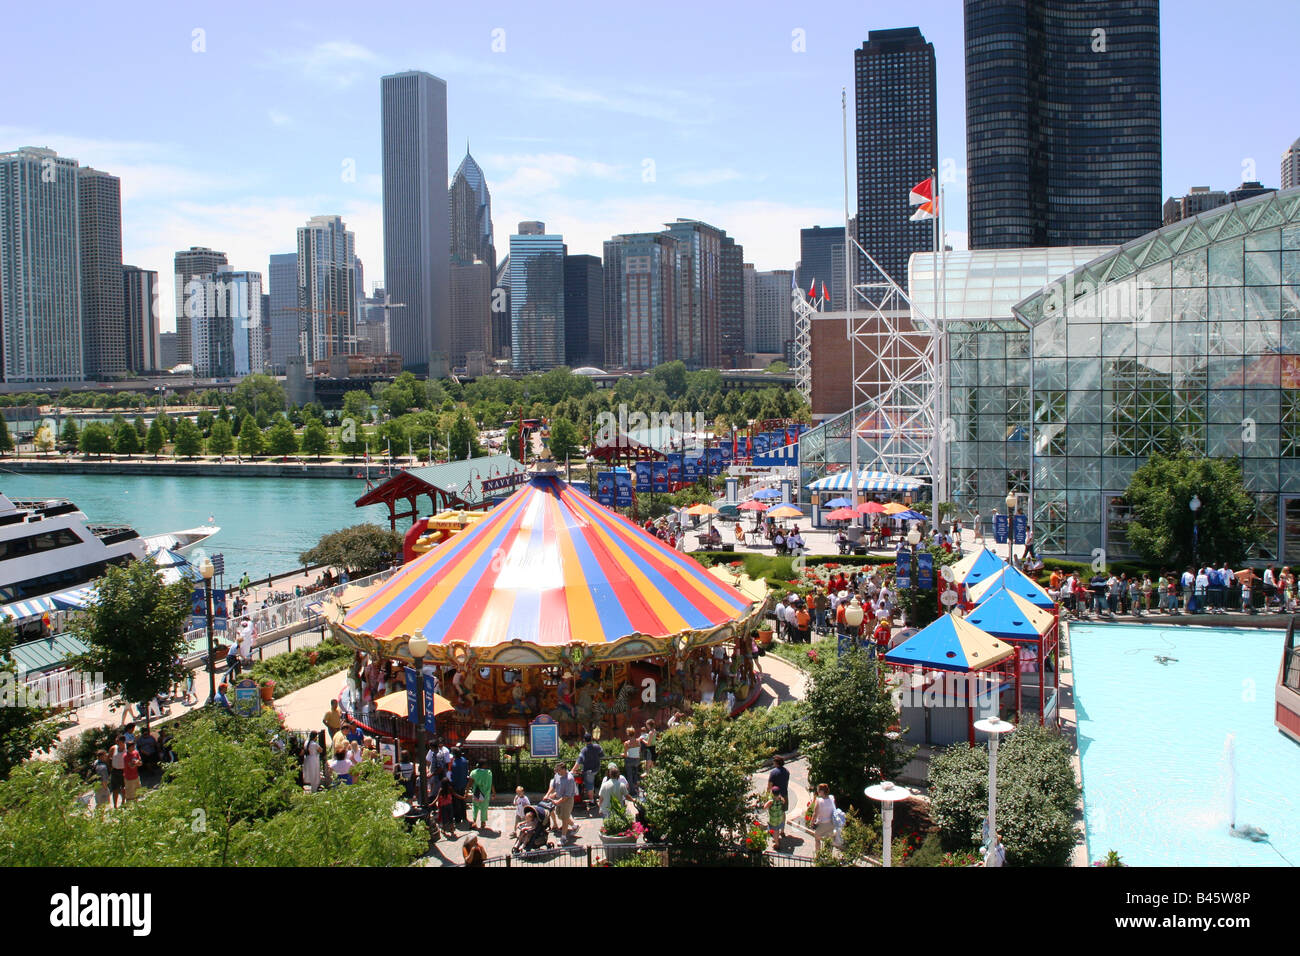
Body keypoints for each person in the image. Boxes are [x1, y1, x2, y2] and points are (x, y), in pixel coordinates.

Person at [573, 733, 605, 812]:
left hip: (588, 771)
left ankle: (592, 802)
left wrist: (572, 770)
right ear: (592, 739)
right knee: (591, 783)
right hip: (596, 769)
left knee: (589, 786)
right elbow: (602, 755)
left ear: (584, 740)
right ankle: (593, 797)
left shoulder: (584, 750)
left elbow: (579, 761)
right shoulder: (597, 747)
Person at [545, 762, 578, 838]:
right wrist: (548, 794)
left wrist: (557, 802)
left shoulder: (569, 779)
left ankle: (563, 837)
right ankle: (574, 825)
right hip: (559, 798)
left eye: (559, 770)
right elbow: (553, 786)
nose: (557, 772)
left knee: (564, 819)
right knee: (560, 816)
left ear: (564, 769)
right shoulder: (557, 775)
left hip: (567, 800)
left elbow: (567, 796)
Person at [810, 783, 835, 855]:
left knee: (817, 839)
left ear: (822, 792)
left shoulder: (819, 801)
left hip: (822, 824)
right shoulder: (832, 798)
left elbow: (815, 814)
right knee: (829, 840)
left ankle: (818, 855)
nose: (817, 793)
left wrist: (811, 823)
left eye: (818, 791)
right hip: (831, 823)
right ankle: (828, 855)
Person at [468, 759, 494, 830]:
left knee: (475, 807)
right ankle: (483, 823)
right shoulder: (489, 772)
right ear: (484, 765)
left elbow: (470, 783)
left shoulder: (473, 772)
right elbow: (491, 783)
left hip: (477, 792)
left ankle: (474, 821)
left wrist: (466, 792)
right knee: (484, 809)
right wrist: (493, 792)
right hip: (486, 794)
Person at [623, 726, 642, 797]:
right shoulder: (638, 741)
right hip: (637, 760)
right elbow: (639, 751)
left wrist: (624, 754)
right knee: (636, 775)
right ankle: (637, 788)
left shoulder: (627, 743)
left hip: (630, 760)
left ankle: (632, 791)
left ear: (628, 734)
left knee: (630, 776)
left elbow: (625, 754)